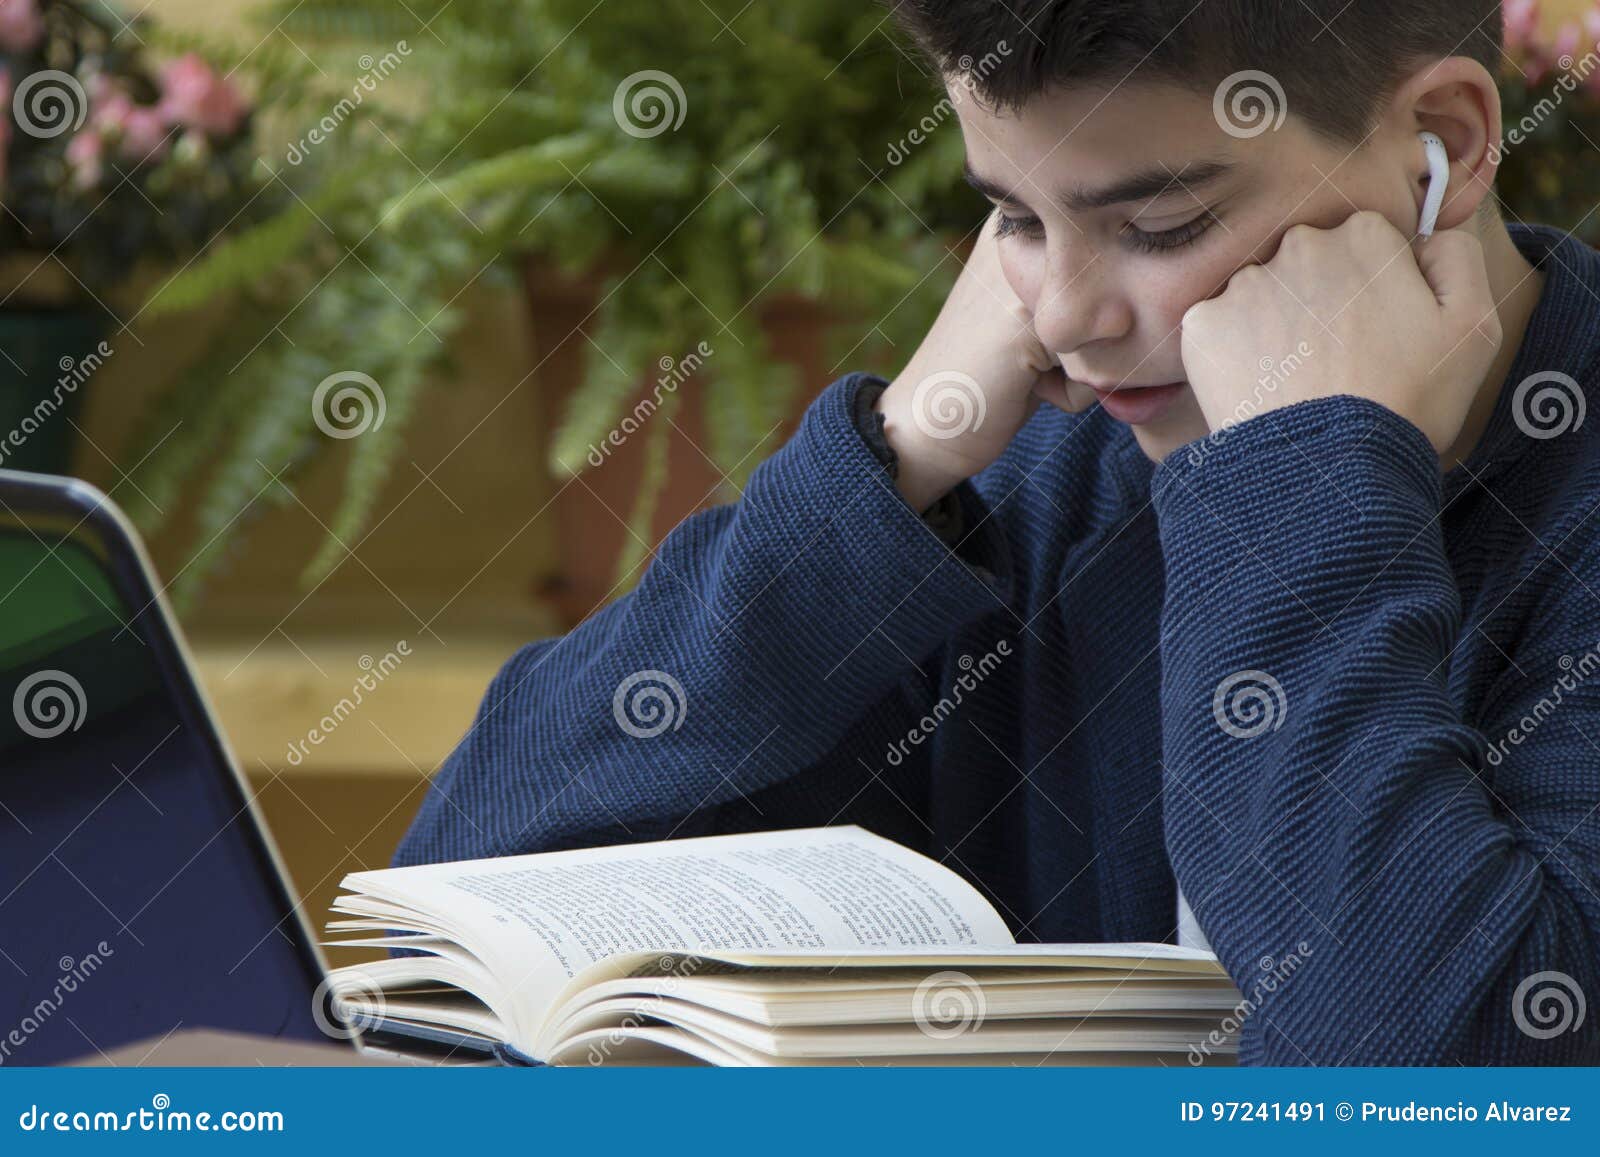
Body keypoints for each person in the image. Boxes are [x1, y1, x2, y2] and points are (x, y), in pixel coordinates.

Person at [396, 1, 1600, 1064]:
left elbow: (1446, 1083)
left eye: (1162, 223)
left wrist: (1299, 493)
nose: (1065, 318)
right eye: (1014, 218)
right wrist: (897, 460)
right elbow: (460, 894)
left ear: (1444, 141)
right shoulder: (1050, 476)